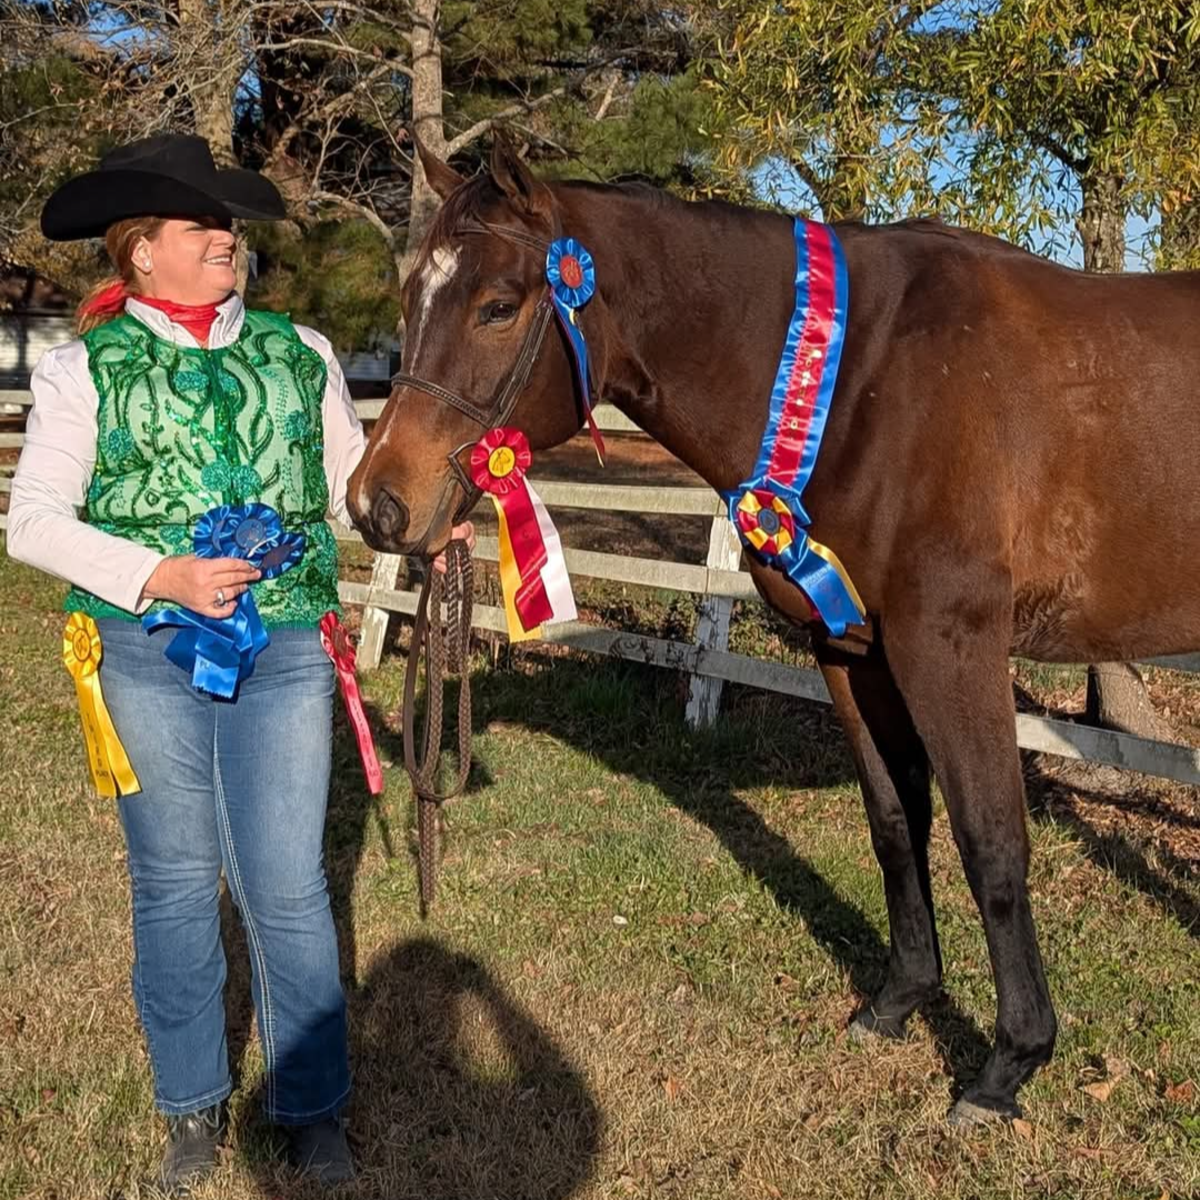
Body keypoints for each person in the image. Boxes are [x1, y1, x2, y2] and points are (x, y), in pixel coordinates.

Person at [6, 132, 473, 1192]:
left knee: (290, 885)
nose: (226, 239)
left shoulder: (300, 352)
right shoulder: (82, 368)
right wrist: (159, 574)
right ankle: (190, 1107)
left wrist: (422, 526)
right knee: (175, 885)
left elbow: (354, 487)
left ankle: (313, 1109)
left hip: (289, 648)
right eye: (200, 225)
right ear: (141, 251)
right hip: (142, 649)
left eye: (226, 224)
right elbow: (31, 522)